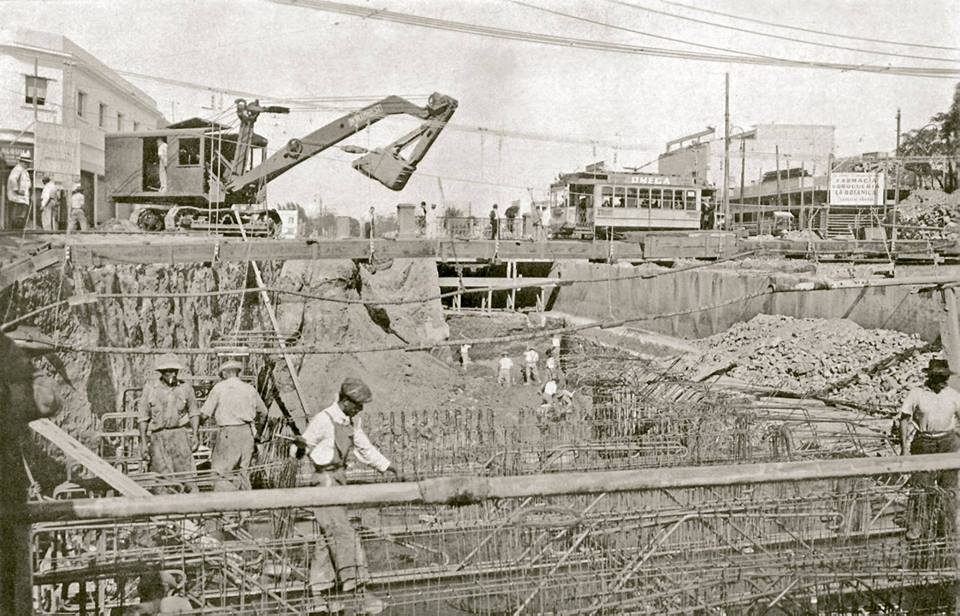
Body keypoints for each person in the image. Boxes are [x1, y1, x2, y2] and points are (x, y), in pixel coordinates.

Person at [297, 377, 397, 614]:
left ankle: (319, 593)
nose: (360, 409)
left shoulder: (350, 422)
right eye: (358, 405)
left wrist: (389, 467)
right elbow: (300, 447)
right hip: (325, 483)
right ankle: (359, 592)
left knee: (327, 537)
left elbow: (365, 448)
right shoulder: (323, 420)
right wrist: (299, 447)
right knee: (343, 534)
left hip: (338, 480)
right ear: (345, 401)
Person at [899, 358, 960, 540]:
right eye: (938, 377)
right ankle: (918, 524)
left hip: (948, 443)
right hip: (924, 443)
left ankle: (948, 526)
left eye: (945, 377)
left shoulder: (953, 395)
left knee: (949, 487)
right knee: (921, 485)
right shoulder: (917, 394)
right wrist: (904, 448)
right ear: (930, 377)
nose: (942, 381)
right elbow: (904, 419)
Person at [199, 360, 267, 491]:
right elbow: (264, 412)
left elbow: (205, 414)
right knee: (243, 473)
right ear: (238, 373)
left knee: (220, 473)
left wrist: (193, 423)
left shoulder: (219, 388)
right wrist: (258, 434)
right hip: (247, 433)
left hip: (228, 434)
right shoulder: (250, 389)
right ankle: (246, 508)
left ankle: (227, 507)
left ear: (224, 373)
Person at [138, 354, 198, 493]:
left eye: (174, 371)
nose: (171, 374)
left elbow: (194, 412)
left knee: (186, 476)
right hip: (158, 437)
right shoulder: (150, 389)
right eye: (167, 371)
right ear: (161, 372)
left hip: (179, 436)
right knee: (161, 477)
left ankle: (188, 511)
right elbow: (143, 417)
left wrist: (195, 435)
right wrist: (143, 443)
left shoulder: (185, 388)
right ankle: (162, 511)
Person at [6, 153, 31, 229]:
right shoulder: (18, 169)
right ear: (21, 162)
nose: (27, 164)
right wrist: (17, 190)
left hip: (22, 201)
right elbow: (12, 179)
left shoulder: (24, 171)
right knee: (17, 222)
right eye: (26, 162)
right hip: (18, 201)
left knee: (20, 222)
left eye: (28, 162)